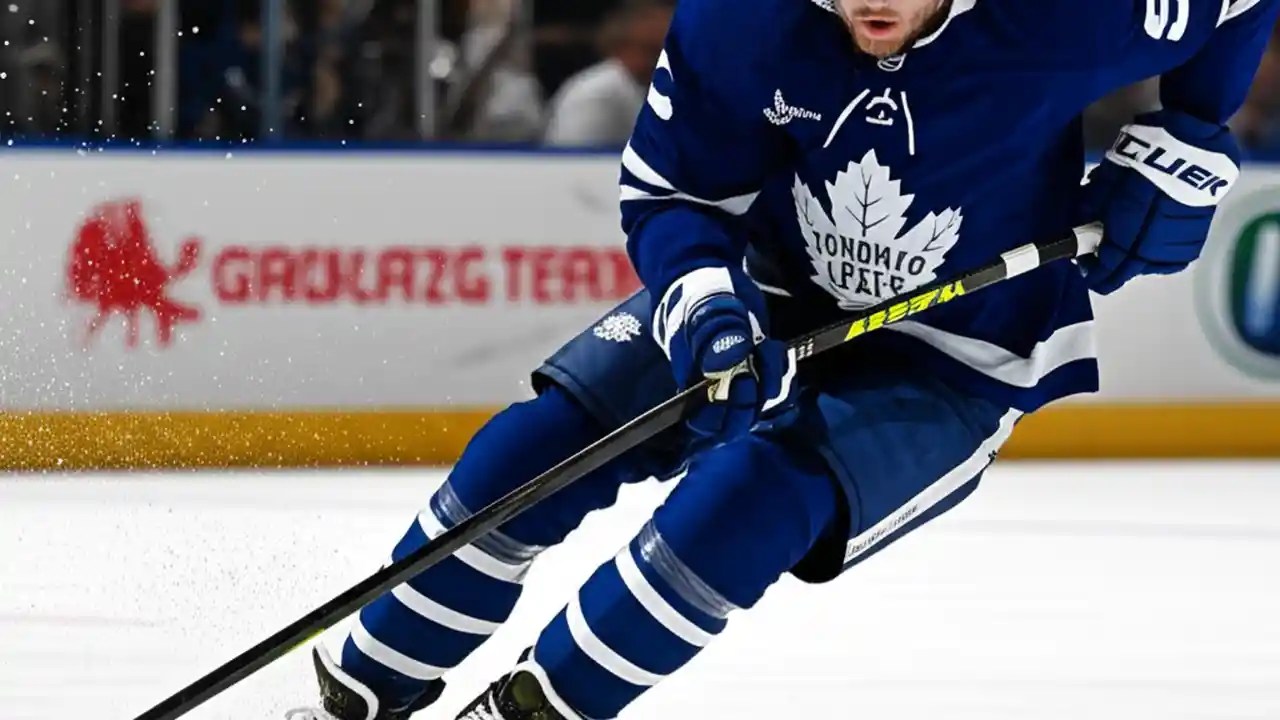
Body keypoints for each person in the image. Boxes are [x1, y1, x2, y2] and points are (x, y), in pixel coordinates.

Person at [289, 0, 1278, 718]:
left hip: (958, 345)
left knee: (741, 509)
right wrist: (706, 304)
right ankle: (360, 696)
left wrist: (1187, 135)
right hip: (768, 284)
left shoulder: (1069, 18)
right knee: (529, 456)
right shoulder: (743, 20)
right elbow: (675, 197)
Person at [542, 0, 674, 148]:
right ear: (624, 44)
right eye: (652, 50)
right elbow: (573, 160)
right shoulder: (599, 92)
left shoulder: (645, 89)